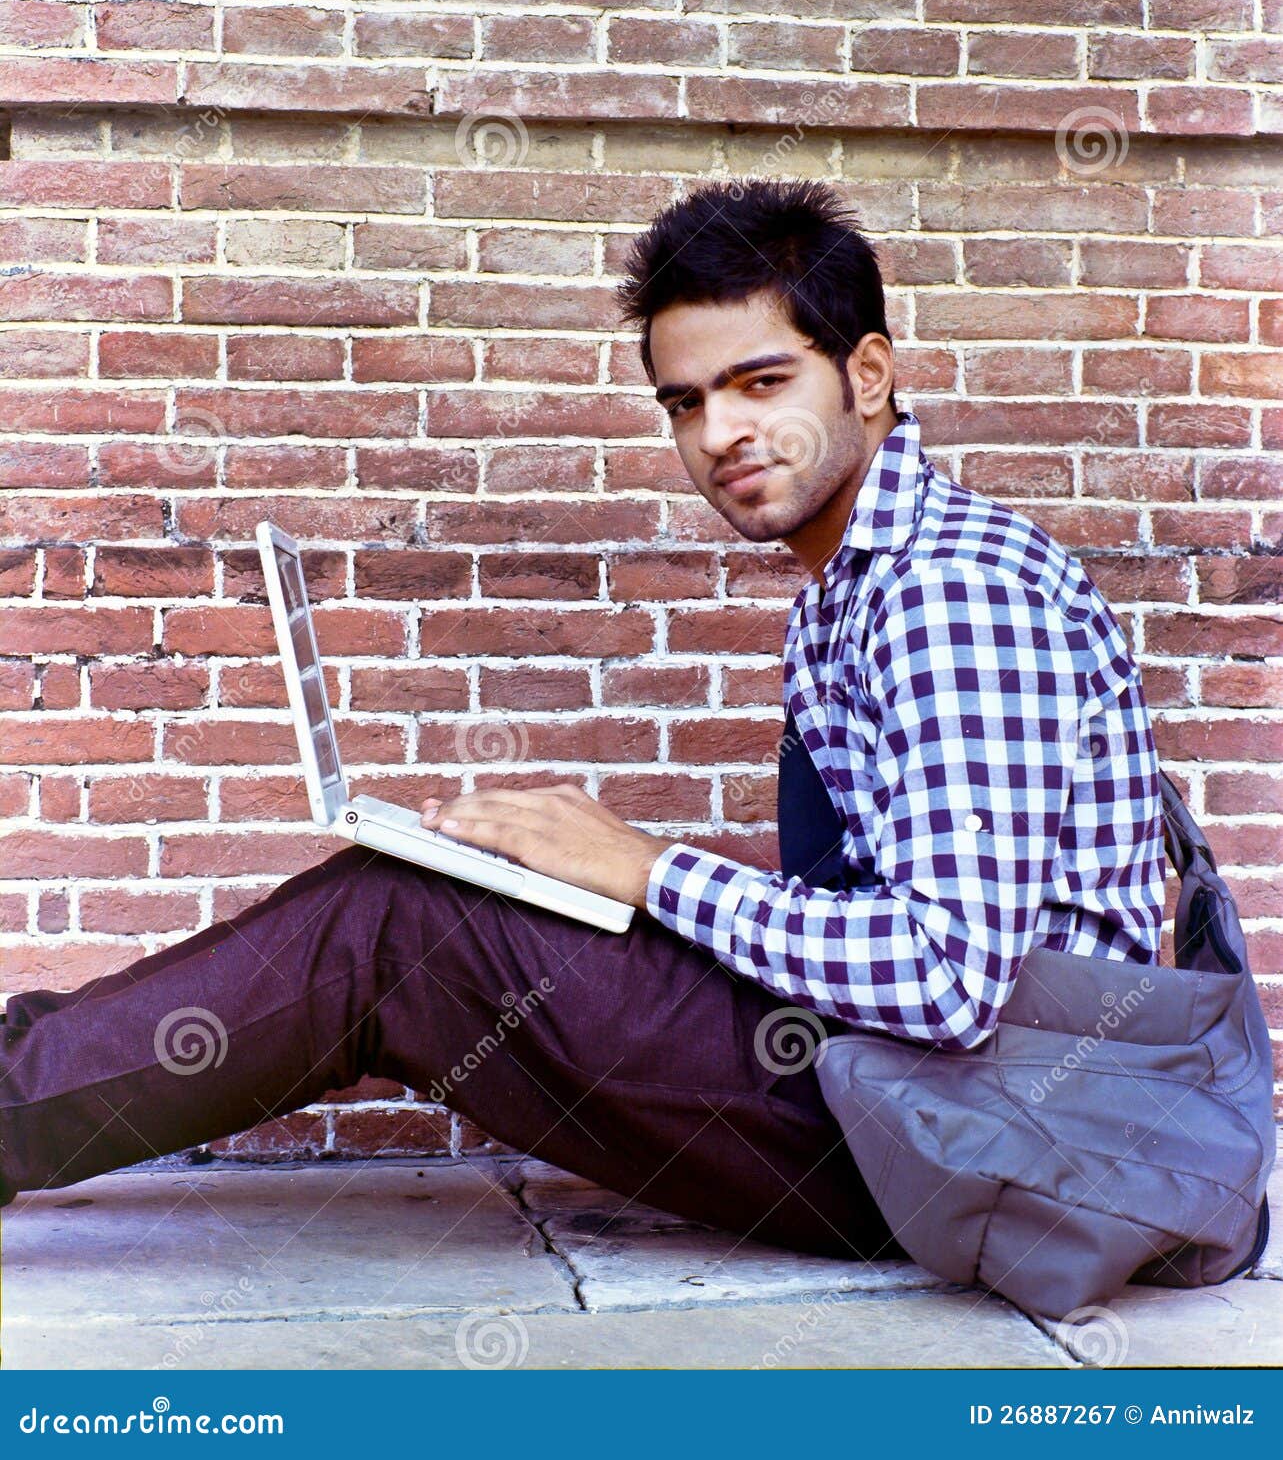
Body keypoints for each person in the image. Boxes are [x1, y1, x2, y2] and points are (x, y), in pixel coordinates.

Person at [0, 179, 1167, 1267]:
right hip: (902, 1101)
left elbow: (945, 980)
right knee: (434, 897)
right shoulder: (860, 585)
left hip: (990, 1144)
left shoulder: (948, 590)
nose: (718, 435)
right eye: (685, 402)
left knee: (397, 929)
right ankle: (26, 1072)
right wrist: (594, 892)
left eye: (761, 383)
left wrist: (646, 870)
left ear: (865, 376)